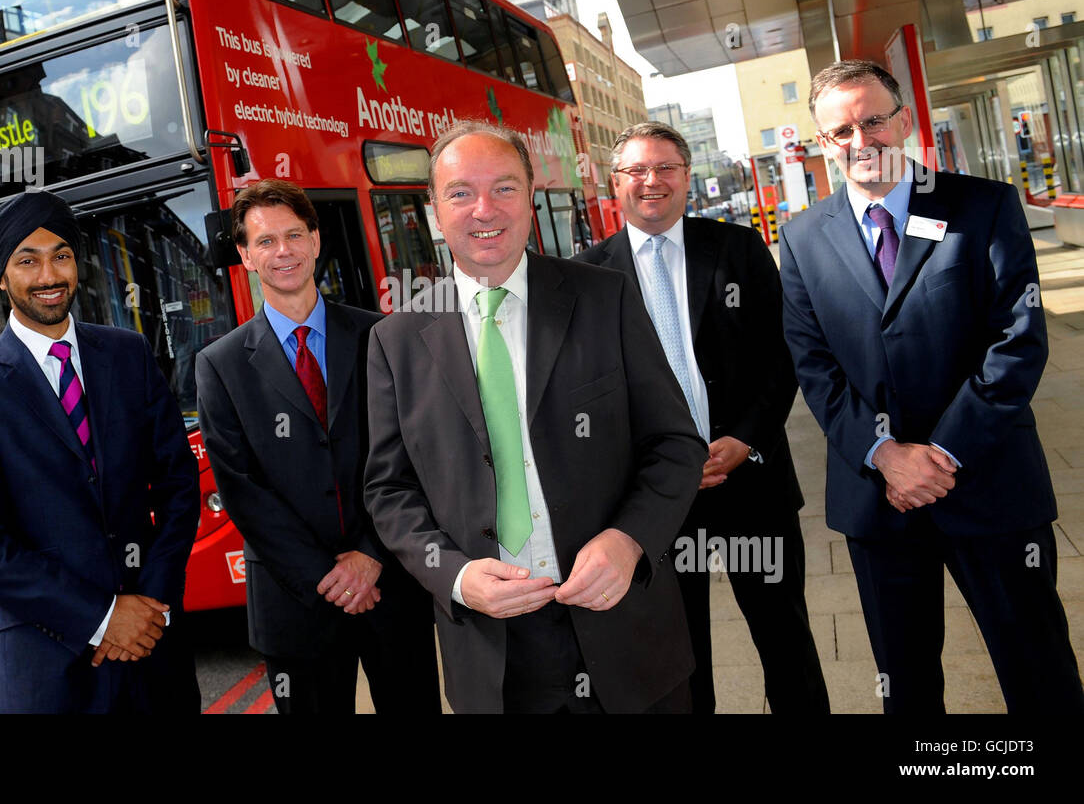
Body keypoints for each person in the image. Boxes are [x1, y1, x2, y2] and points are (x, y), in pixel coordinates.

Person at [364, 120, 707, 713]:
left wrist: (629, 542)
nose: (483, 209)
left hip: (625, 629)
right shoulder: (395, 340)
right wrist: (452, 576)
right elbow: (389, 491)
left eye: (504, 187)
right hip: (495, 659)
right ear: (434, 212)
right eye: (460, 192)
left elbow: (676, 443)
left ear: (529, 195)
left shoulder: (606, 297)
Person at [781, 59, 1084, 714]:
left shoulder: (983, 206)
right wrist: (887, 454)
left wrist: (940, 455)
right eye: (840, 131)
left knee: (1040, 674)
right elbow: (815, 366)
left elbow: (1018, 341)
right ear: (822, 143)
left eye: (873, 121)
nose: (861, 142)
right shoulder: (803, 237)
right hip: (878, 501)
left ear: (905, 120)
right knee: (906, 687)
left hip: (990, 485)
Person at [575, 122, 829, 714]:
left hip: (750, 481)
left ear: (687, 178)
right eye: (636, 170)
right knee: (679, 657)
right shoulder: (587, 276)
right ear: (615, 183)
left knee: (785, 636)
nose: (651, 181)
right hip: (654, 499)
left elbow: (781, 352)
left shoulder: (738, 248)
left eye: (665, 167)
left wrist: (746, 437)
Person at [0, 190, 201, 713]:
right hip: (50, 669)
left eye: (61, 255)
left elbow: (178, 484)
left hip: (154, 648)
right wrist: (101, 617)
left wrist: (152, 605)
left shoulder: (128, 354)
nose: (49, 275)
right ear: (2, 277)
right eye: (27, 260)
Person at [195, 179, 439, 714]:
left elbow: (414, 456)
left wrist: (371, 556)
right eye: (264, 241)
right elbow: (242, 488)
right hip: (295, 601)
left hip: (392, 584)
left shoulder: (381, 336)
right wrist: (328, 576)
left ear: (315, 241)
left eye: (293, 235)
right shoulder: (220, 363)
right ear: (244, 255)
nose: (282, 252)